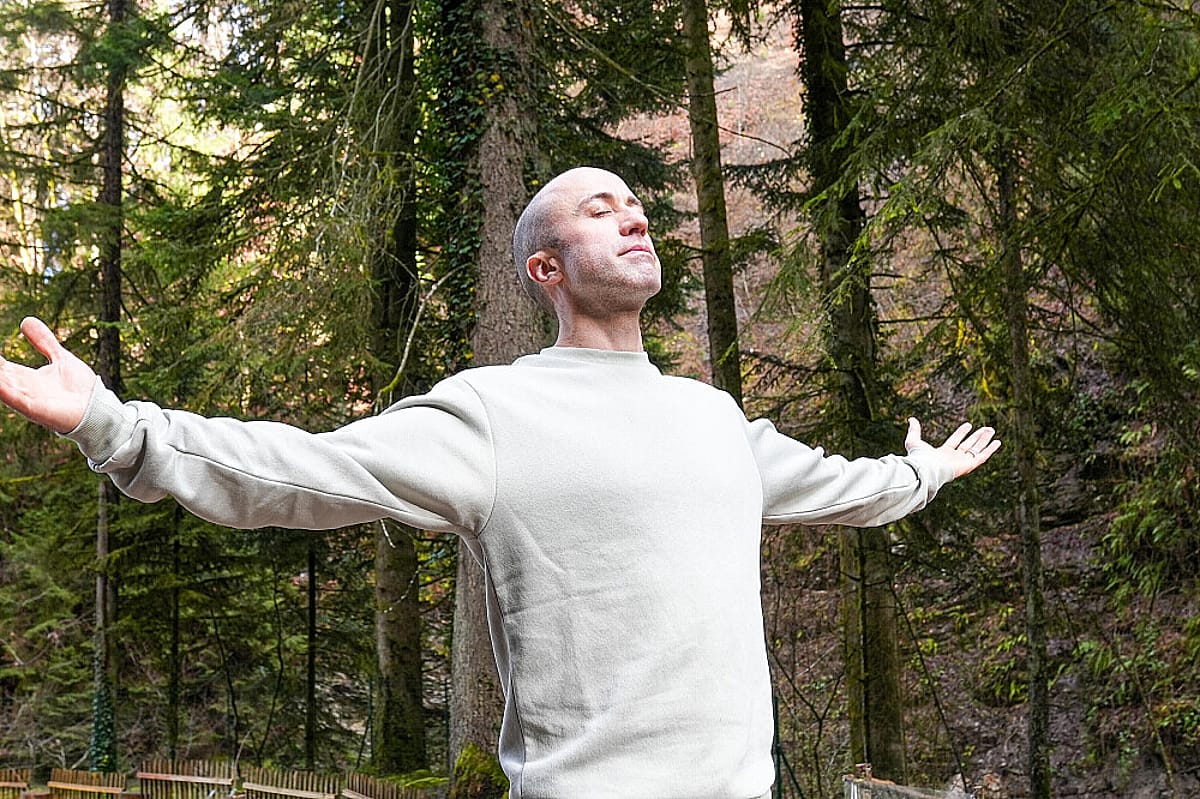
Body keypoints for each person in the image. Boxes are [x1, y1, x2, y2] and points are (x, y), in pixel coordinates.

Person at [0, 167, 999, 799]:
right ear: (544, 268)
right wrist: (112, 424)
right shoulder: (491, 413)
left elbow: (838, 486)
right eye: (598, 209)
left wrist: (922, 471)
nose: (633, 217)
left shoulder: (715, 418)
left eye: (637, 205)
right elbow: (302, 470)